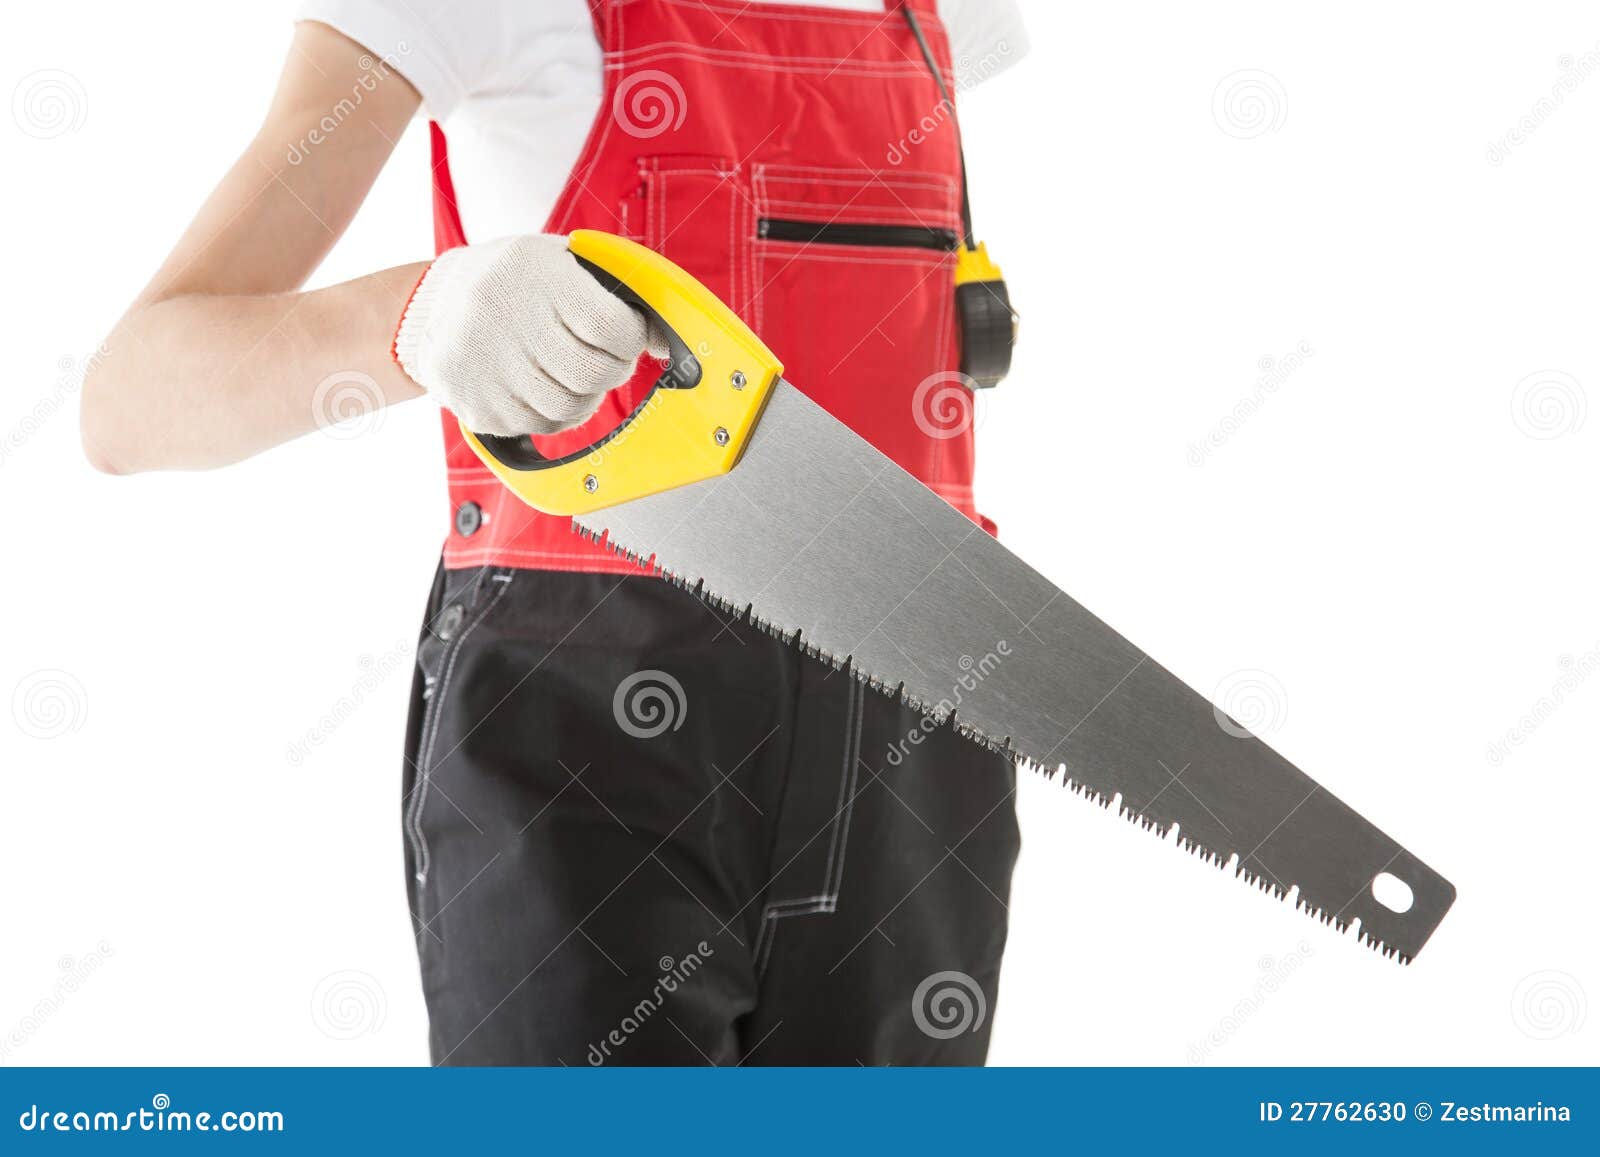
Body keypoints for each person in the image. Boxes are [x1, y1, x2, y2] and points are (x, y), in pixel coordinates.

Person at [81, 0, 1028, 1065]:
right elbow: (128, 398)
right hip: (588, 716)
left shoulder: (946, 17)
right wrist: (422, 317)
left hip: (915, 709)